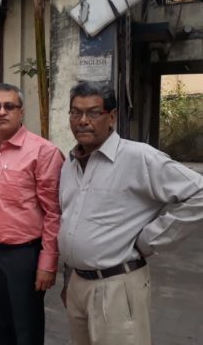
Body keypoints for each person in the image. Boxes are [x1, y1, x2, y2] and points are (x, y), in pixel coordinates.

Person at [58, 81, 203, 345]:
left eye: (93, 112)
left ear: (111, 117)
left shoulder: (138, 157)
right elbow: (70, 222)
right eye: (75, 112)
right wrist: (70, 279)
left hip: (117, 287)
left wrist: (152, 238)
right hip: (79, 285)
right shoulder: (70, 165)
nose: (82, 121)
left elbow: (199, 193)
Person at [0, 83, 64, 344]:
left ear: (21, 111)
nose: (2, 112)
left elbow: (54, 212)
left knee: (25, 330)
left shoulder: (43, 152)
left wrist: (47, 262)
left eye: (9, 106)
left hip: (22, 257)